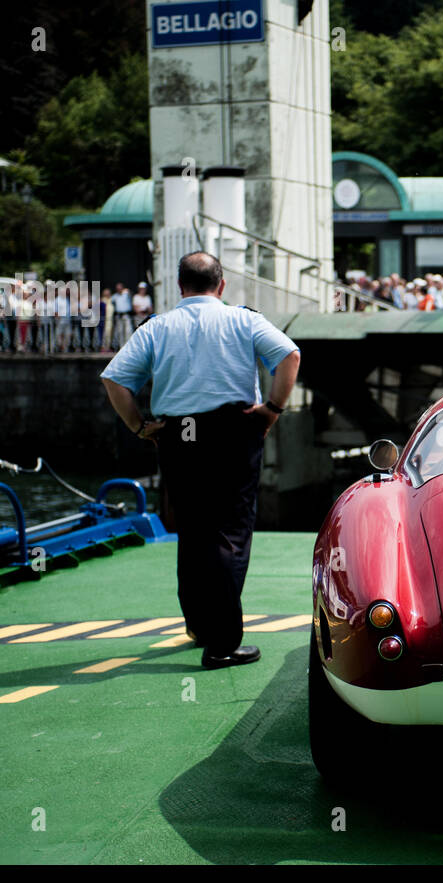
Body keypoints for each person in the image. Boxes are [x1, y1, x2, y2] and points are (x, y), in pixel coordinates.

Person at [100, 251, 300, 670]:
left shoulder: (157, 326)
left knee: (193, 530)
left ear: (179, 287)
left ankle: (199, 626)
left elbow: (114, 379)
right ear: (221, 285)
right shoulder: (244, 320)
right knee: (230, 533)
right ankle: (223, 644)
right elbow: (289, 356)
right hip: (233, 431)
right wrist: (273, 409)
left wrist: (139, 427)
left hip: (180, 435)